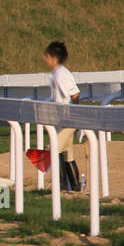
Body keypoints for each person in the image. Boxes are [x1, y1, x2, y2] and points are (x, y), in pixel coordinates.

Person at [43, 40, 82, 192]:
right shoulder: (56, 74)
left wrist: (74, 116)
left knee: (54, 148)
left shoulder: (62, 75)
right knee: (68, 153)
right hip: (61, 119)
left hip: (68, 119)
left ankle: (61, 185)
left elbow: (75, 94)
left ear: (54, 58)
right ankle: (73, 185)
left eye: (47, 57)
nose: (45, 60)